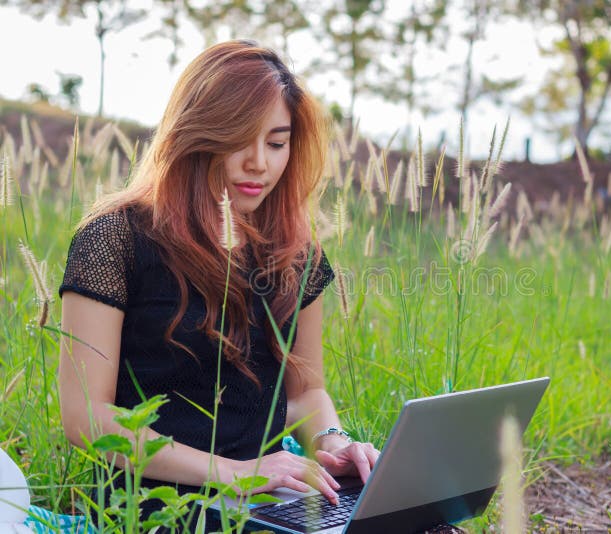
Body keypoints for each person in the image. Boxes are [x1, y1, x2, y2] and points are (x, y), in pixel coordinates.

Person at [57, 40, 379, 528]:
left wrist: (336, 444)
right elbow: (85, 419)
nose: (259, 163)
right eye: (238, 139)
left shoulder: (298, 253)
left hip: (266, 500)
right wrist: (234, 473)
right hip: (154, 507)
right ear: (197, 135)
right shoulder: (114, 239)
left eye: (276, 142)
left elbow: (308, 392)